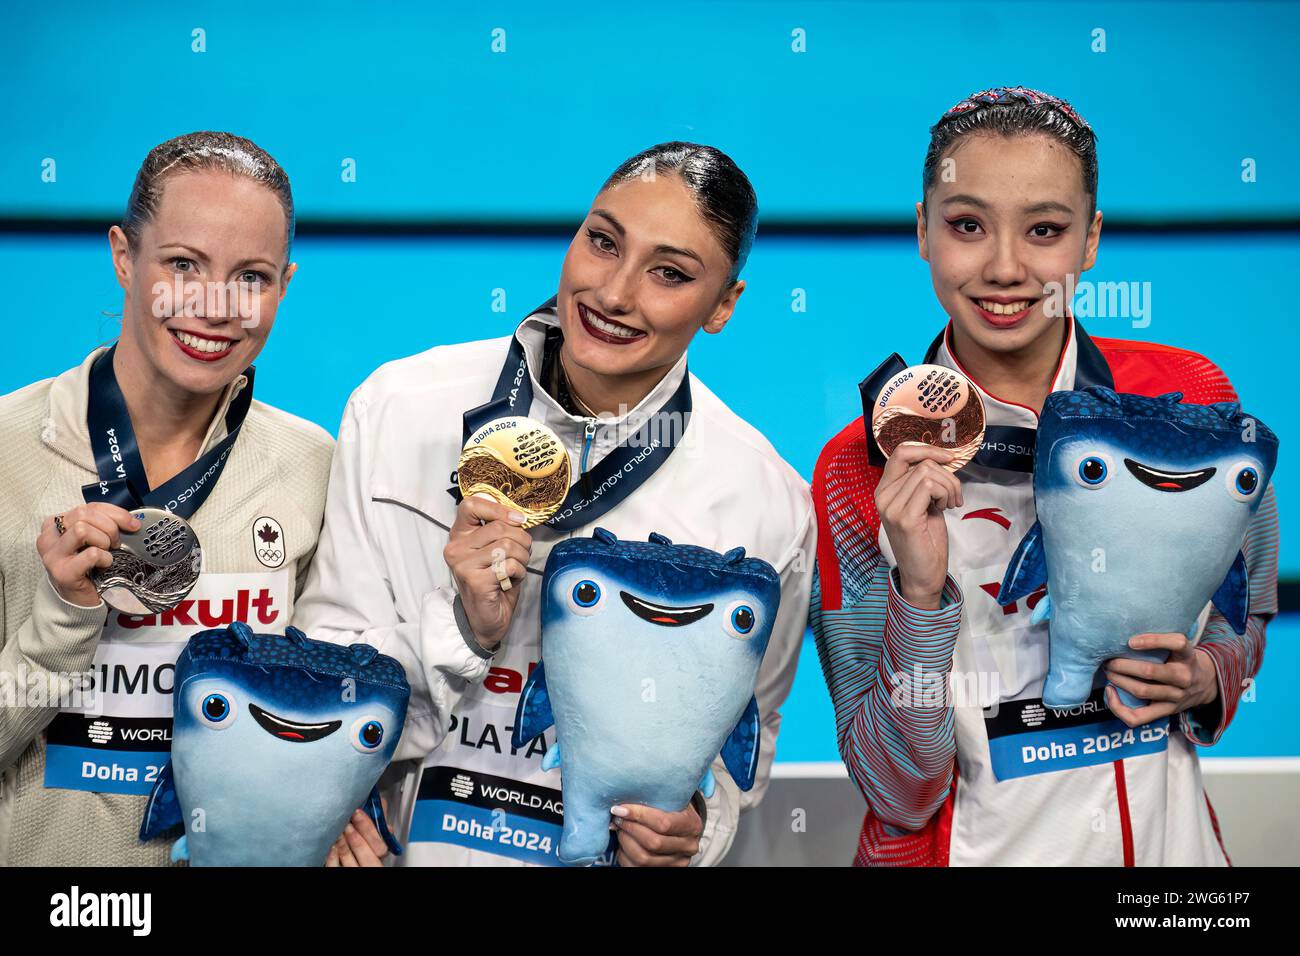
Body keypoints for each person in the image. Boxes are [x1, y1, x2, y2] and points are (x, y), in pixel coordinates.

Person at [298, 142, 815, 867]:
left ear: (723, 305)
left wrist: (697, 831)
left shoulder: (764, 503)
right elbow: (317, 669)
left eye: (670, 273)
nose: (614, 293)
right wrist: (459, 634)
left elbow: (740, 754)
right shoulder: (399, 408)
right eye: (603, 242)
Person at [811, 87, 1279, 866]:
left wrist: (1204, 676)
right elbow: (897, 790)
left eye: (1045, 230)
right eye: (967, 225)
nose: (1004, 268)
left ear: (1090, 240)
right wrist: (919, 600)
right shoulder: (858, 468)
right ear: (922, 231)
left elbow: (1247, 611)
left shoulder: (1194, 396)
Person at [0, 132, 334, 865]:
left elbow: (323, 722)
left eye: (251, 277)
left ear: (284, 285)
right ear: (124, 257)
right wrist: (62, 619)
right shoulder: (6, 451)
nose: (215, 308)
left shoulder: (313, 467)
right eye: (183, 265)